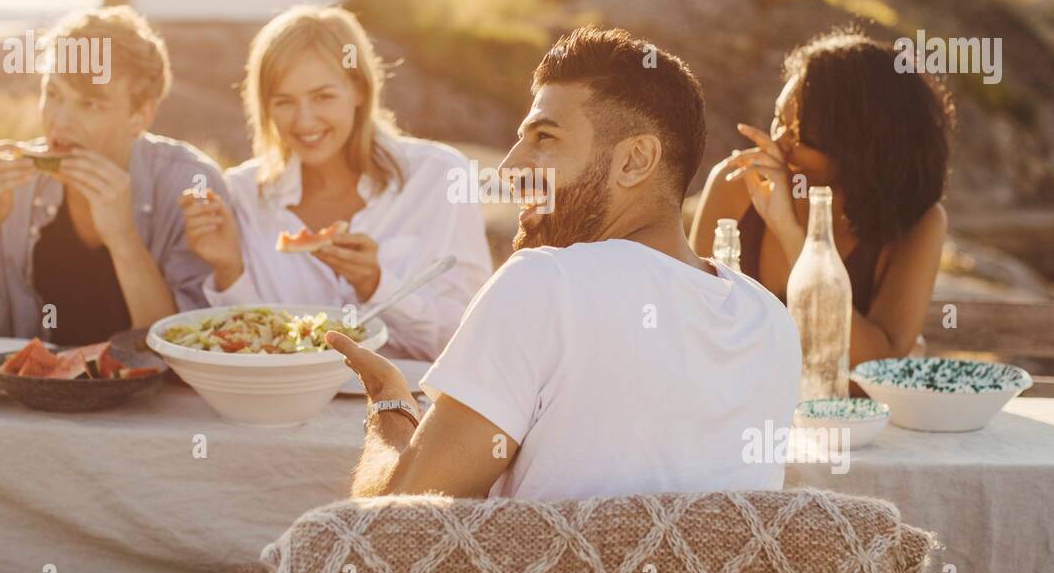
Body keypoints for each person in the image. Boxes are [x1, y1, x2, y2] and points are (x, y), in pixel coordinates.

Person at [326, 26, 800, 501]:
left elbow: (394, 527)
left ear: (635, 160)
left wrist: (390, 408)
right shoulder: (770, 321)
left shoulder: (542, 282)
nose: (510, 168)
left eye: (544, 138)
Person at [178, 6, 491, 361]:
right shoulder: (242, 193)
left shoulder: (441, 177)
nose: (304, 120)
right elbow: (254, 350)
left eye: (323, 96)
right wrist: (228, 268)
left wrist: (376, 284)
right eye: (284, 102)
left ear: (358, 90)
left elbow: (469, 341)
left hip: (406, 406)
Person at [0, 6, 229, 345]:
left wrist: (123, 239)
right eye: (53, 95)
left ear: (140, 115)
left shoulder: (190, 184)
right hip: (31, 396)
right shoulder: (19, 184)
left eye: (90, 105)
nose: (60, 121)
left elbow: (181, 347)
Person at [689, 29, 954, 368]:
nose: (778, 142)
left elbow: (878, 365)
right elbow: (696, 329)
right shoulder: (737, 184)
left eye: (798, 136)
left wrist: (791, 233)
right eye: (777, 119)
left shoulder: (919, 222)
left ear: (858, 148)